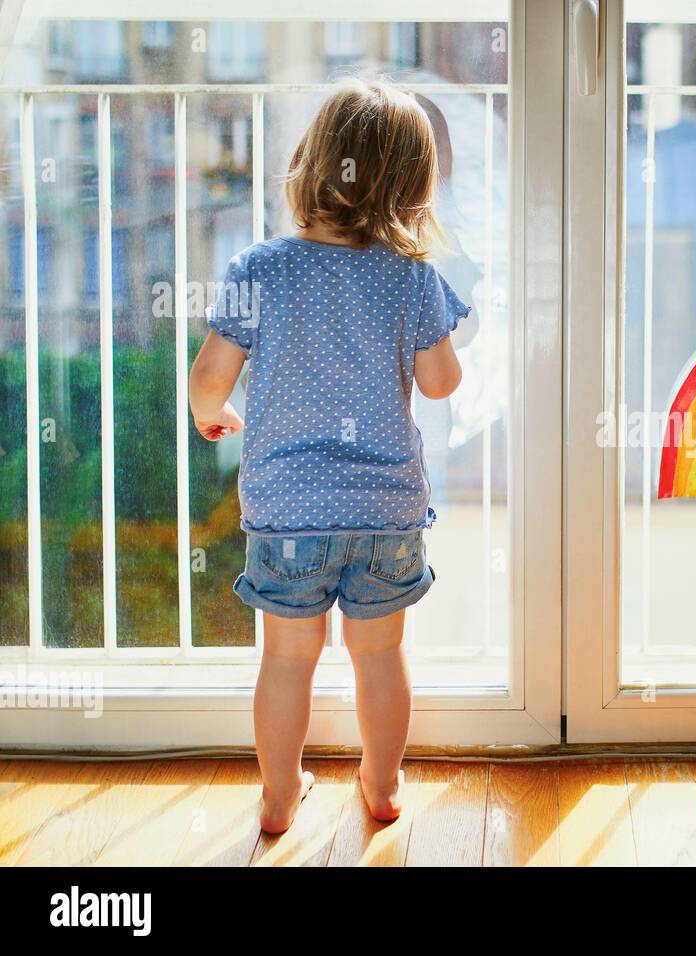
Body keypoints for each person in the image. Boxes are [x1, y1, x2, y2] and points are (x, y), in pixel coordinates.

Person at [186, 77, 469, 834]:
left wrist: (211, 416)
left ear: (315, 163)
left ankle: (279, 797)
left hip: (287, 511)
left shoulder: (261, 268)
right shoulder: (412, 277)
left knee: (287, 660)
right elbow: (442, 384)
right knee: (380, 658)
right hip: (385, 511)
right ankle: (381, 786)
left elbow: (210, 378)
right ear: (411, 186)